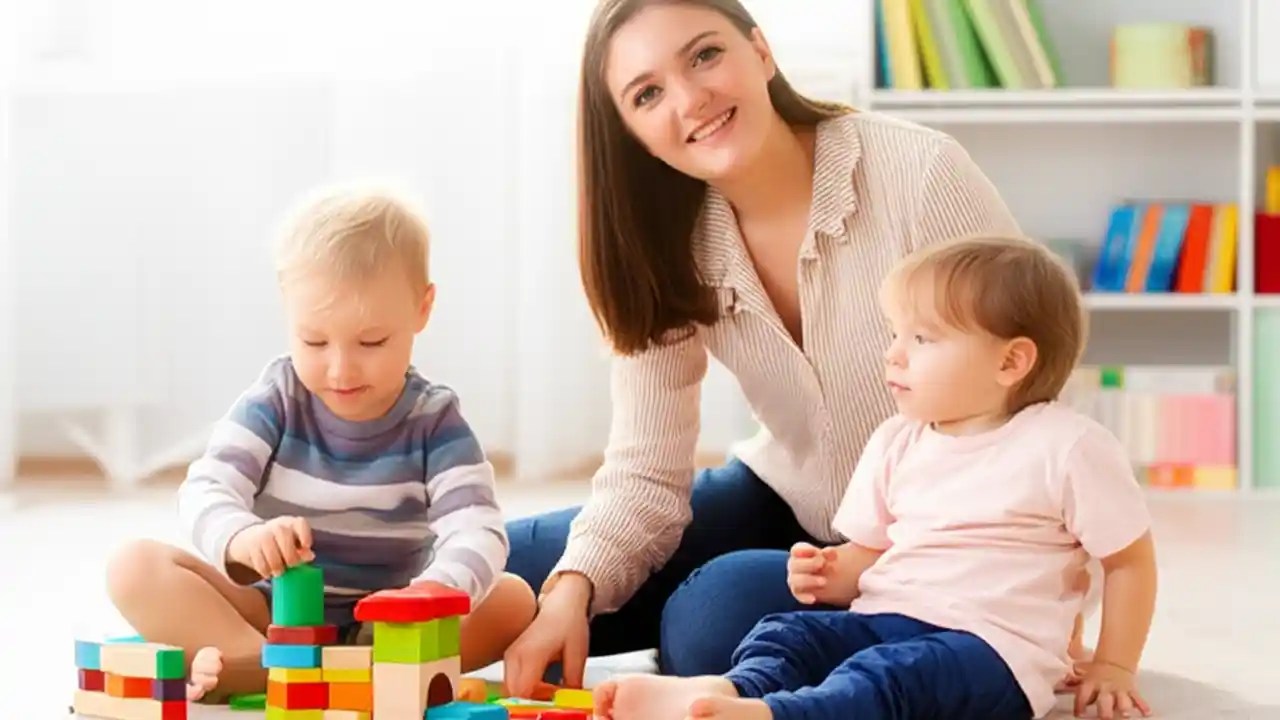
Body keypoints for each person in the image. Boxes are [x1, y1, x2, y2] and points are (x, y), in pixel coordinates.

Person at [501, 0, 1048, 697]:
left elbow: (1029, 399)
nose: (690, 100)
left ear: (761, 51)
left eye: (704, 55)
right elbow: (646, 468)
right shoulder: (668, 236)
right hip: (788, 498)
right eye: (647, 94)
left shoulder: (920, 173)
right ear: (630, 132)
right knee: (505, 569)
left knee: (712, 619)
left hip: (933, 545)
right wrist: (573, 590)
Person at [592, 235, 1159, 720]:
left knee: (884, 676)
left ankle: (778, 714)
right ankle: (732, 690)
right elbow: (866, 557)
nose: (893, 355)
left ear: (1010, 362)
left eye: (922, 339)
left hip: (992, 650)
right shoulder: (898, 440)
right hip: (888, 617)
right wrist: (826, 573)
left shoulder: (1067, 446)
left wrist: (1113, 664)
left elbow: (1128, 562)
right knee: (786, 633)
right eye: (895, 335)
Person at [105, 186, 537, 702]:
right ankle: (261, 662)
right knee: (133, 567)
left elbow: (477, 528)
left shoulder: (434, 421)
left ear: (422, 309)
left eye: (371, 342)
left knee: (513, 598)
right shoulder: (277, 398)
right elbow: (206, 487)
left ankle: (356, 673)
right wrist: (244, 537)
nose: (340, 370)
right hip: (271, 615)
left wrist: (434, 590)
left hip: (391, 627)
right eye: (314, 341)